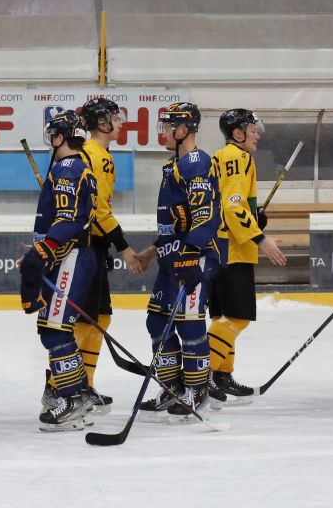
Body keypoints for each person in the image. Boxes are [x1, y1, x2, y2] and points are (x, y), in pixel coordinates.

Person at [135, 102, 221, 422]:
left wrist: (189, 255)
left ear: (184, 130)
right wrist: (153, 250)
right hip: (171, 258)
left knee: (188, 323)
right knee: (156, 321)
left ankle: (198, 388)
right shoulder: (173, 165)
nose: (164, 131)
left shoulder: (197, 163)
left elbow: (206, 217)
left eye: (169, 125)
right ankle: (172, 385)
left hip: (192, 259)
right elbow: (176, 221)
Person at [20, 109, 98, 430]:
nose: (50, 140)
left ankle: (72, 399)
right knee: (50, 329)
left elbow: (68, 219)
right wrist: (43, 246)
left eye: (53, 134)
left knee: (55, 331)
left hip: (70, 257)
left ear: (61, 137)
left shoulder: (67, 166)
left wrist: (47, 247)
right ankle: (76, 392)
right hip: (63, 255)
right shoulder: (76, 167)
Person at [207, 109, 288, 404]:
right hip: (232, 248)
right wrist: (260, 238)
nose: (257, 134)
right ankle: (200, 375)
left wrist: (255, 218)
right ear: (237, 133)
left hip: (219, 245)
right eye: (252, 129)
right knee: (237, 318)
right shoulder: (238, 157)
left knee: (222, 316)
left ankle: (221, 376)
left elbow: (229, 203)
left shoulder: (222, 155)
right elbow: (232, 205)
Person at [74, 97, 143, 413]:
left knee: (100, 316)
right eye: (116, 117)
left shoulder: (97, 154)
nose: (121, 122)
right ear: (102, 122)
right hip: (85, 246)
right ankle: (65, 386)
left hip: (95, 245)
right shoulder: (96, 156)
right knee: (85, 319)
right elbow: (98, 209)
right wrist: (125, 247)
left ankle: (84, 385)